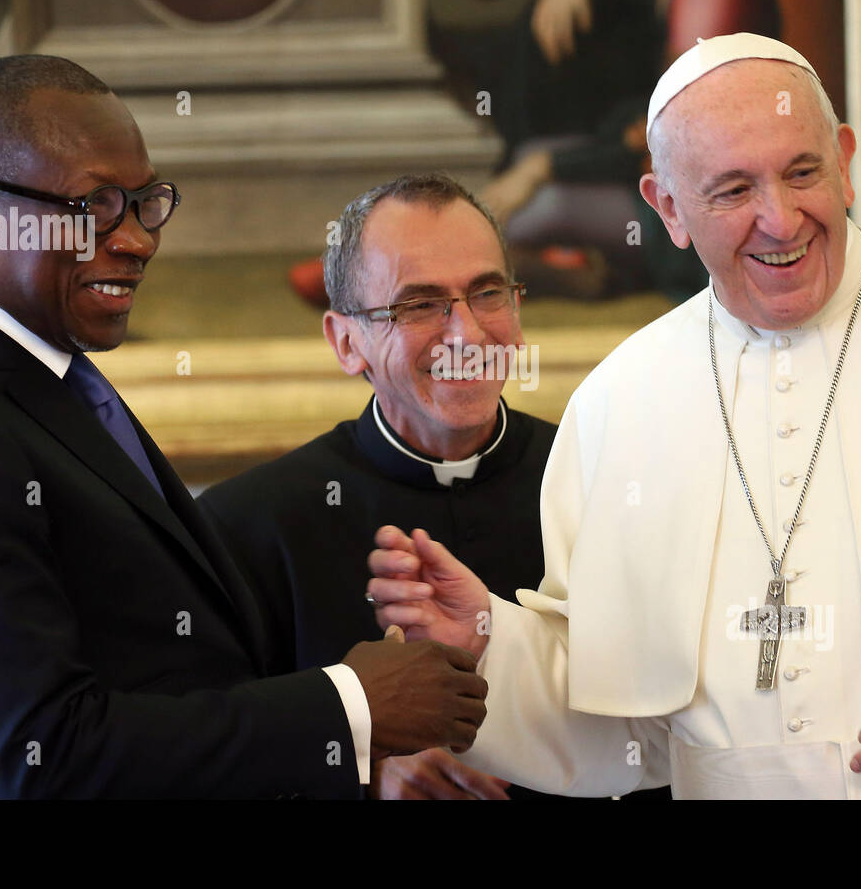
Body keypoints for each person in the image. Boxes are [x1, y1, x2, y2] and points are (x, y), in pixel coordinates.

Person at [366, 33, 861, 799]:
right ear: (667, 207)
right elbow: (627, 733)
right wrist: (490, 642)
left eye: (802, 173)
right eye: (732, 191)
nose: (779, 219)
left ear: (844, 160)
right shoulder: (620, 402)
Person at [0, 55, 487, 798]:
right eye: (97, 207)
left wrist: (353, 762)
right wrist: (351, 707)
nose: (138, 239)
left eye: (147, 203)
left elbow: (178, 682)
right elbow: (48, 759)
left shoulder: (43, 382)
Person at [202, 172, 654, 798]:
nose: (467, 334)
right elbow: (204, 759)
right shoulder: (247, 527)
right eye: (418, 305)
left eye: (488, 293)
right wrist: (360, 768)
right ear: (346, 341)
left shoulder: (612, 483)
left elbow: (670, 721)